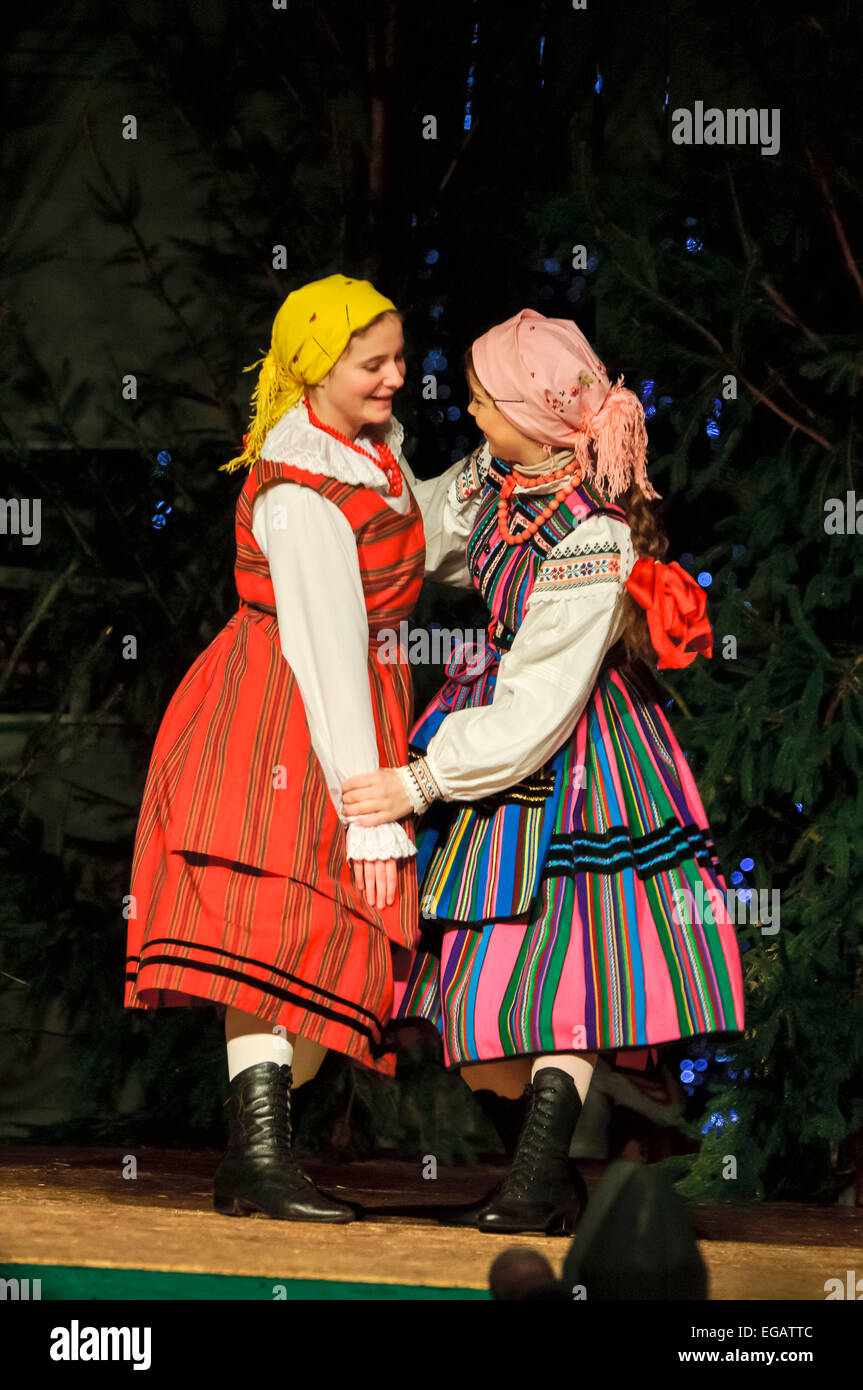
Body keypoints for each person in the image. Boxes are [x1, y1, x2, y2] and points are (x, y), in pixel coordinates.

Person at [342, 308, 746, 1236]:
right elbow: (425, 536)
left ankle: (532, 1182)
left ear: (538, 414)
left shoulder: (593, 540)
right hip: (494, 730)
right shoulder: (500, 480)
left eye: (485, 402)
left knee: (563, 973)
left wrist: (421, 780)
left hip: (571, 758)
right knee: (479, 1001)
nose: (472, 415)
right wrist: (370, 436)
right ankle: (548, 1176)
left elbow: (539, 705)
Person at [124, 274, 426, 1223]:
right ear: (313, 366)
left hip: (339, 702)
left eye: (398, 358)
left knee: (300, 931)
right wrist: (367, 810)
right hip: (287, 714)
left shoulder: (368, 450)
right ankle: (255, 1156)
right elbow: (328, 652)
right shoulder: (302, 493)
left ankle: (257, 1156)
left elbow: (415, 538)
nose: (393, 378)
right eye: (370, 363)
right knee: (271, 917)